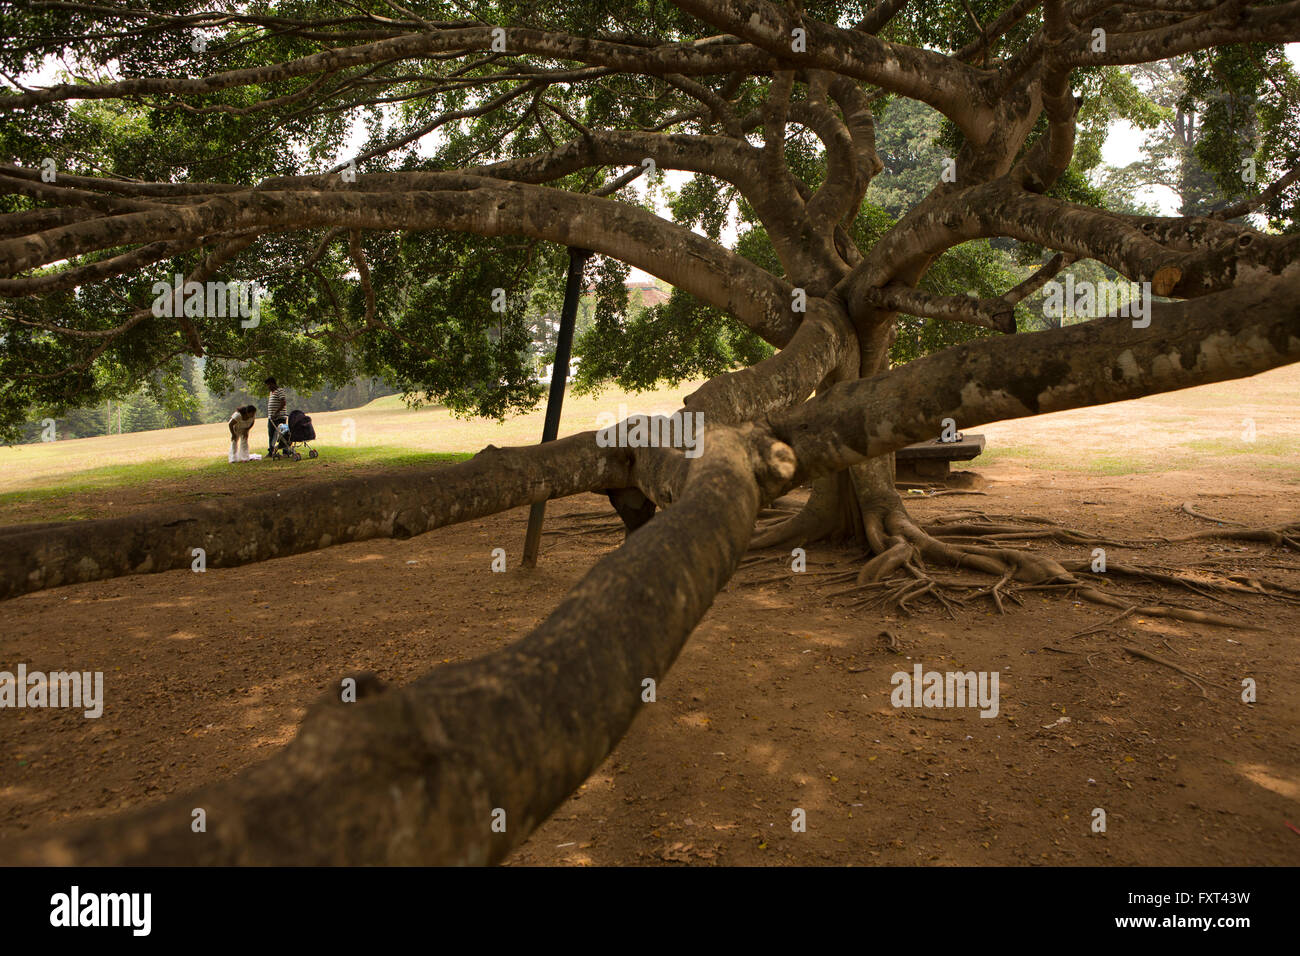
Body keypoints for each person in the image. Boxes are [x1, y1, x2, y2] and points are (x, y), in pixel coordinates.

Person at [264, 376, 287, 457]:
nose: (268, 387)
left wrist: (276, 413)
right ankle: (271, 451)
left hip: (279, 417)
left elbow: (283, 403)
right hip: (271, 418)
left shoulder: (280, 391)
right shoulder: (271, 392)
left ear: (272, 383)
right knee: (271, 435)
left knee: (283, 434)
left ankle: (286, 451)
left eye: (268, 385)